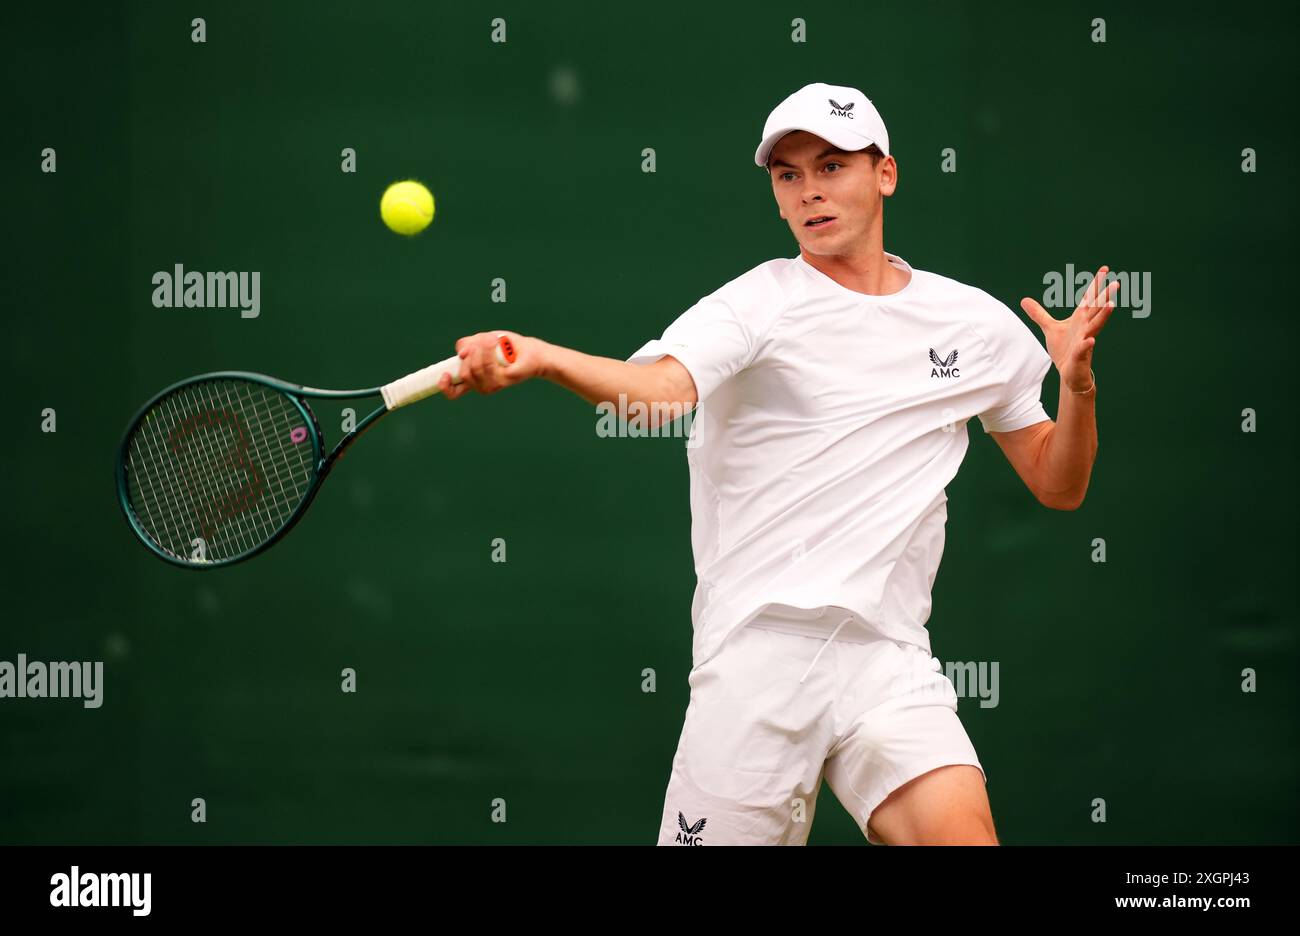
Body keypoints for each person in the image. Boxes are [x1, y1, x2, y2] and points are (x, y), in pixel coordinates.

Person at [439, 81, 1116, 845]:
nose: (808, 193)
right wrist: (542, 358)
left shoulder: (972, 324)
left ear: (884, 173)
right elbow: (659, 395)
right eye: (788, 175)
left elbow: (1059, 486)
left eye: (830, 167)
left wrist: (1078, 387)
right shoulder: (756, 305)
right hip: (758, 657)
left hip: (888, 660)